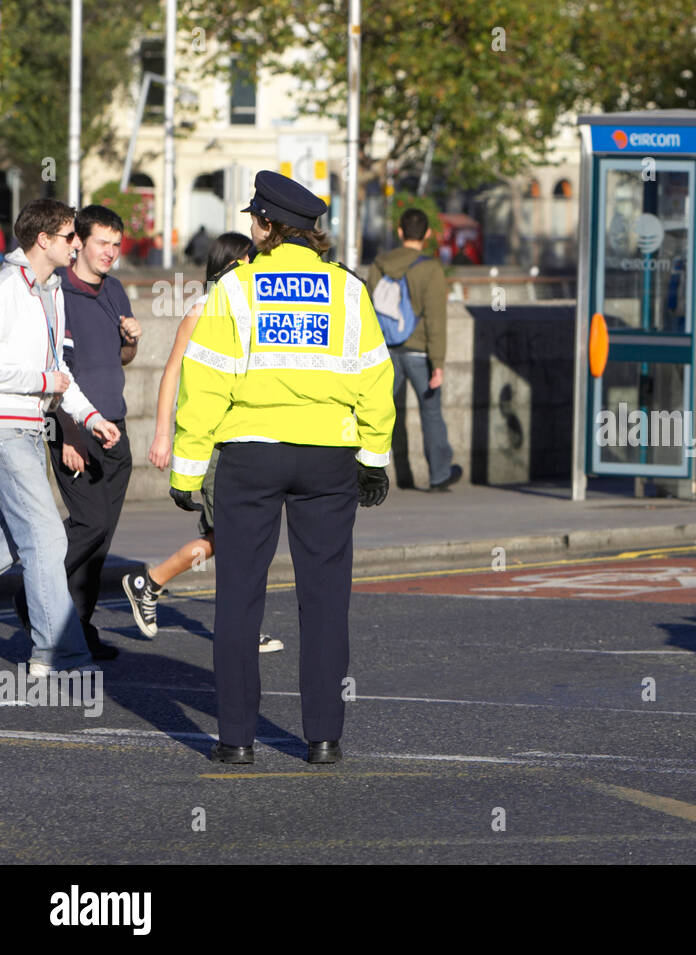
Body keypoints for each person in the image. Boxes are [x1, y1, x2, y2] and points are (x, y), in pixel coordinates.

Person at [170, 171, 395, 764]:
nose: (249, 226)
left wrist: (187, 472)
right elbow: (376, 381)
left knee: (239, 596)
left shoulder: (235, 290)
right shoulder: (348, 291)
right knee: (325, 598)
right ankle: (323, 738)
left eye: (253, 219)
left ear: (268, 226)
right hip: (329, 457)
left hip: (252, 455)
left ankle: (237, 739)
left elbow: (205, 386)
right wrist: (373, 459)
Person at [123, 232, 283, 654]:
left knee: (231, 536)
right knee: (234, 537)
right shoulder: (202, 312)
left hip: (244, 442)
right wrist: (162, 435)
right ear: (233, 265)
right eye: (251, 261)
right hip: (215, 446)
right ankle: (233, 626)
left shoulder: (248, 310)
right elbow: (171, 373)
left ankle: (150, 581)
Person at [14, 205, 141, 661]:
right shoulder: (56, 292)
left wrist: (131, 340)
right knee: (88, 524)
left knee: (103, 536)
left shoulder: (115, 292)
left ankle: (77, 623)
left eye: (116, 244)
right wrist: (67, 432)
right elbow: (56, 369)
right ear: (79, 243)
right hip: (74, 428)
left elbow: (120, 359)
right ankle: (37, 597)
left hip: (113, 425)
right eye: (101, 243)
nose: (111, 252)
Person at [366, 208, 460, 491]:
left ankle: (370, 474)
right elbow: (435, 318)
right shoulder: (430, 268)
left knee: (379, 414)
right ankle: (439, 476)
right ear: (428, 234)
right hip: (420, 352)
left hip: (386, 351)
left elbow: (371, 309)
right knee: (431, 413)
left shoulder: (380, 264)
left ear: (399, 231)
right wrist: (438, 363)